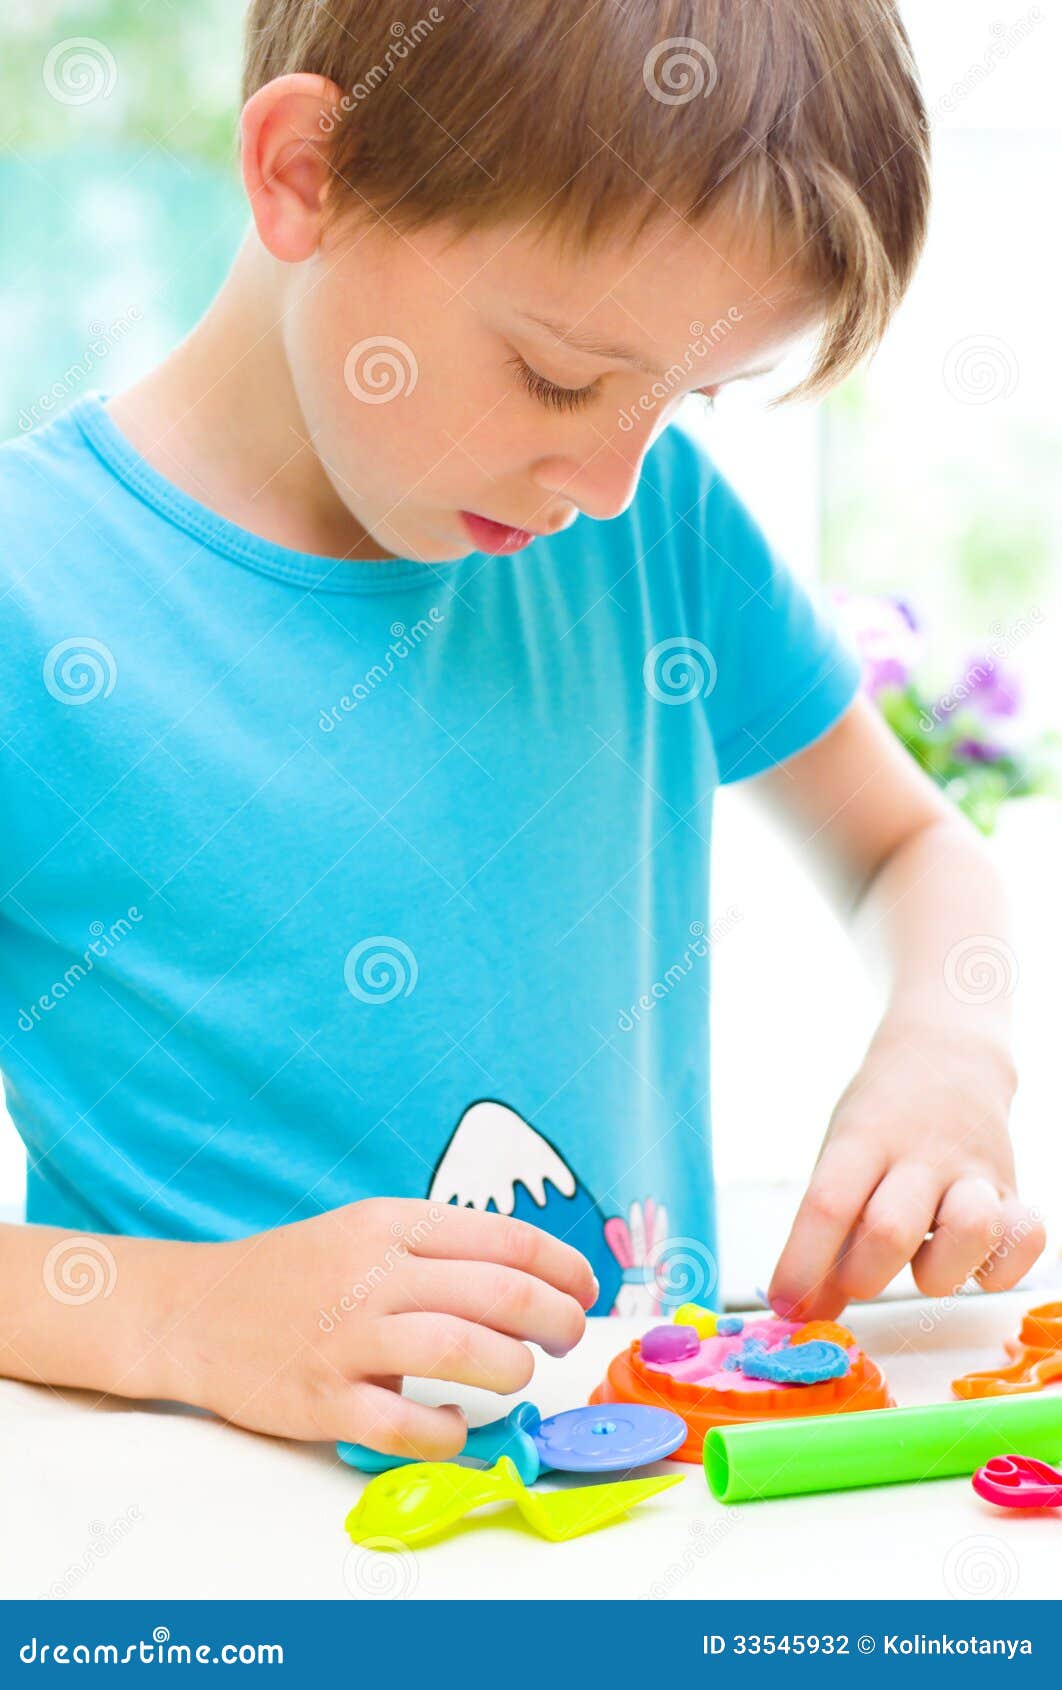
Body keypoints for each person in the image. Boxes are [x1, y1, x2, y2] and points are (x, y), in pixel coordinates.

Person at [0, 0, 1042, 1459]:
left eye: (684, 399)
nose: (609, 479)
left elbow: (906, 850)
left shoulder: (651, 525)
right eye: (558, 377)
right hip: (214, 1540)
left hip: (626, 1513)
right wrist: (186, 1315)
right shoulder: (34, 597)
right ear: (305, 172)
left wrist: (947, 1049)